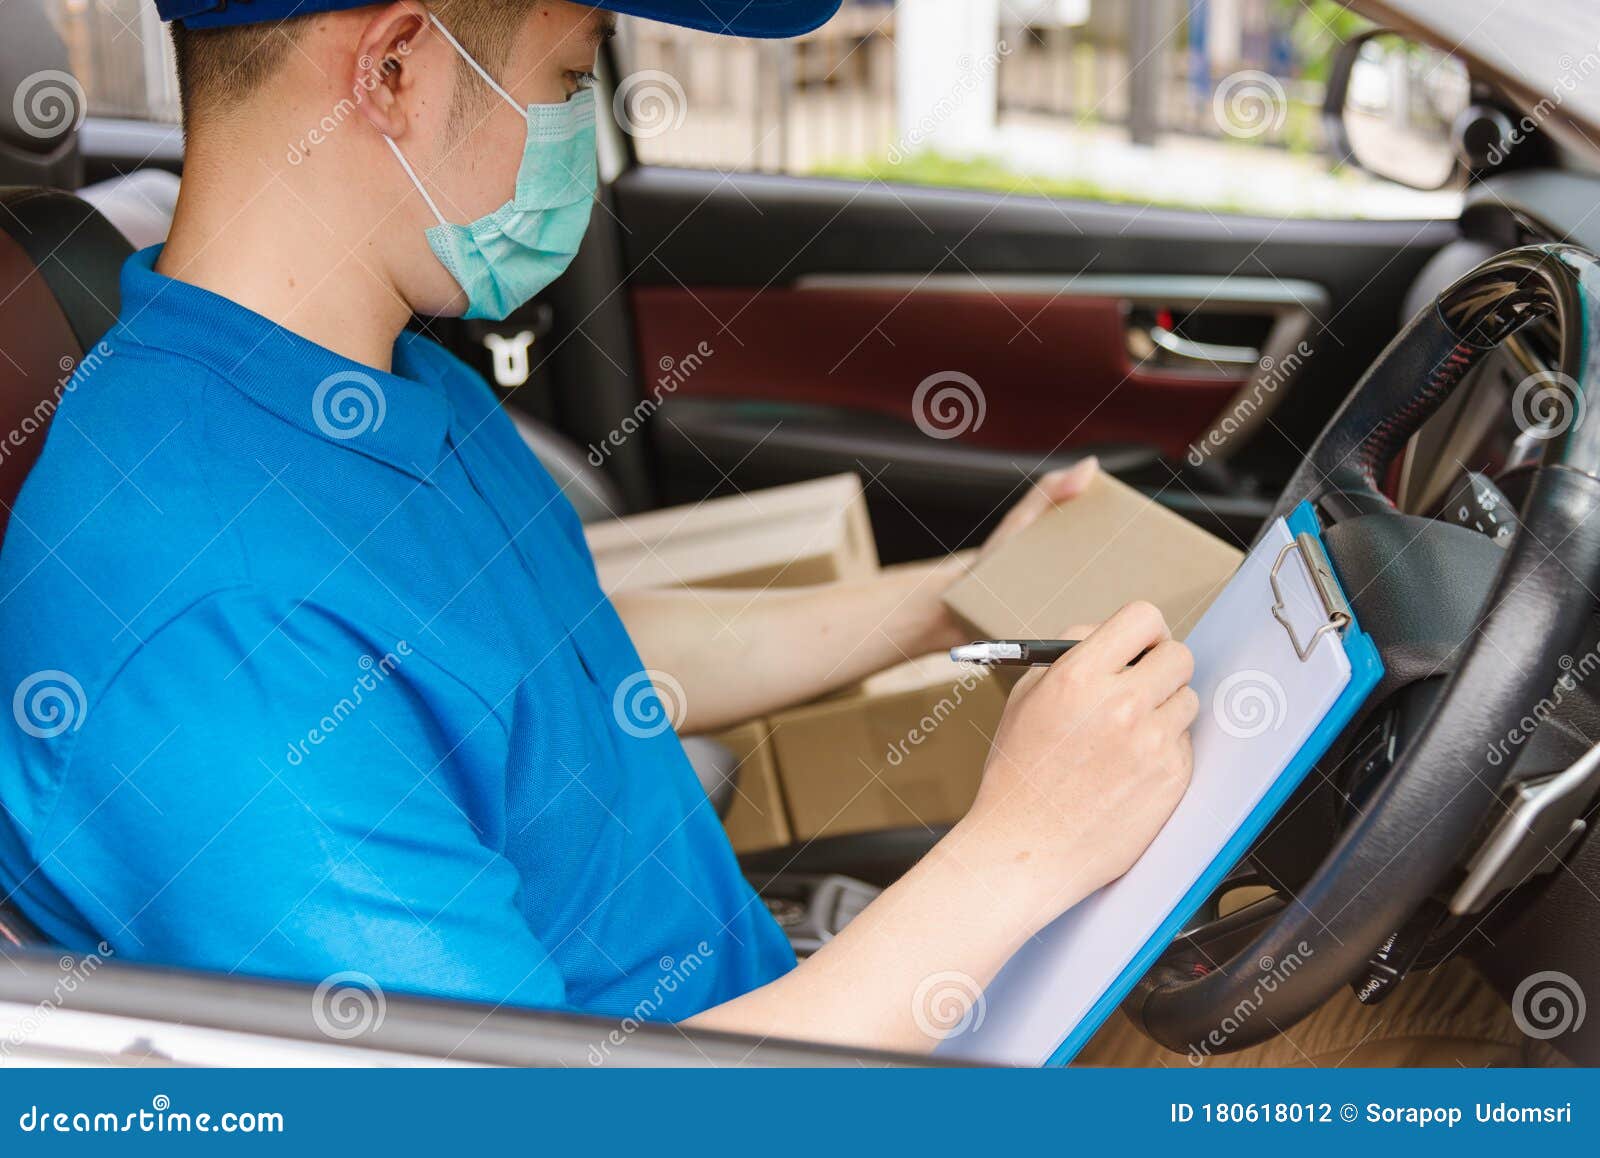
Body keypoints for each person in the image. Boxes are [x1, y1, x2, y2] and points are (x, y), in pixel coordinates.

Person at [0, 0, 1198, 1056]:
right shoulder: (209, 631)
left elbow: (570, 664)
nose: (574, 125)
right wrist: (1022, 851)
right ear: (395, 71)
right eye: (571, 77)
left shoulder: (386, 383)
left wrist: (948, 598)